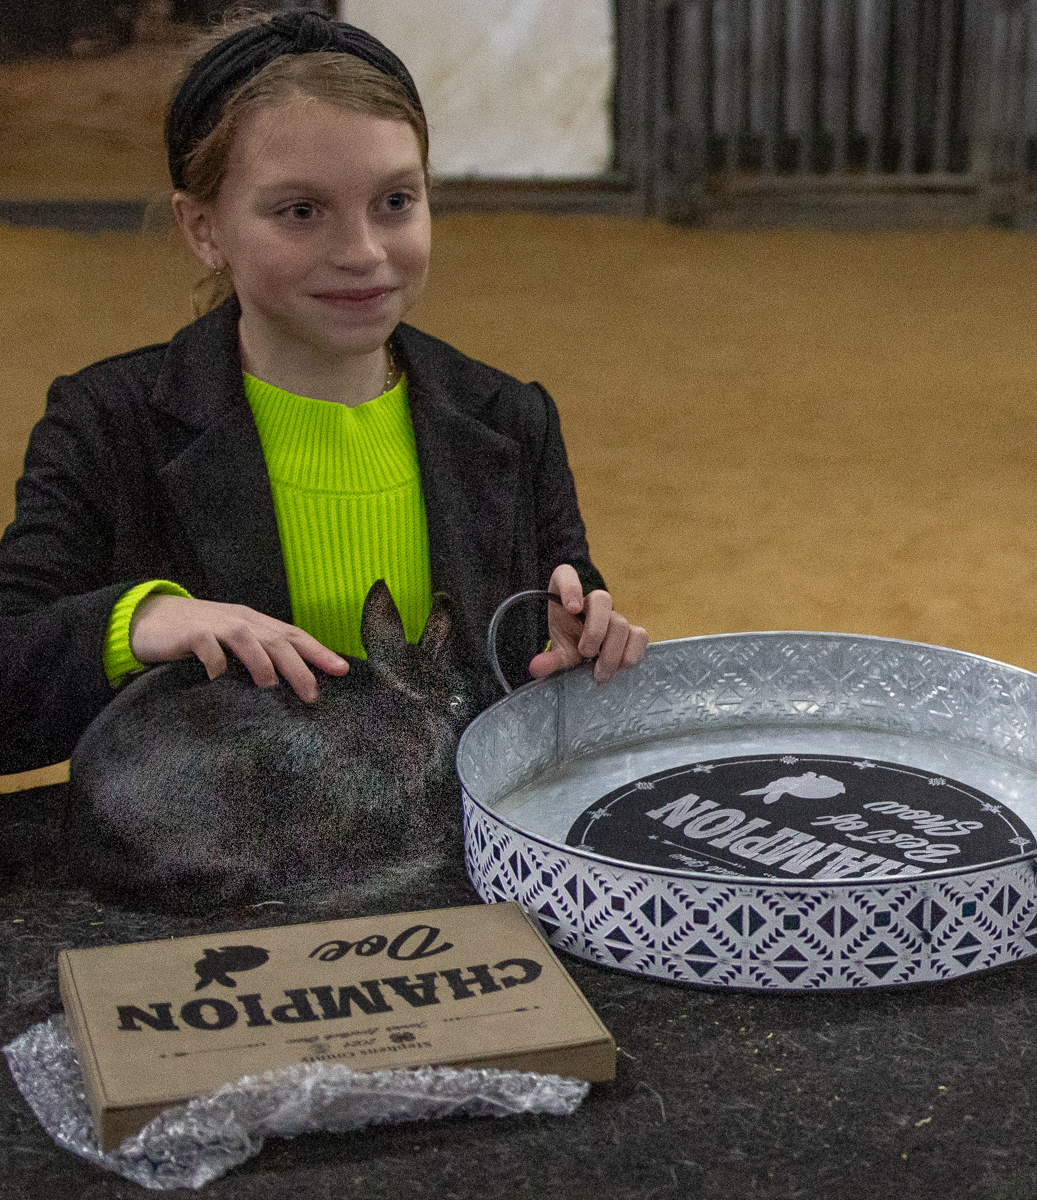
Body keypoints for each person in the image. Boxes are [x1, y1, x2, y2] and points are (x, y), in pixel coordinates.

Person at [0, 7, 647, 778]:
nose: (362, 251)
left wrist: (586, 661)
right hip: (219, 885)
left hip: (451, 883)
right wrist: (137, 622)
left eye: (395, 201)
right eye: (301, 211)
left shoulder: (510, 420)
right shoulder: (107, 425)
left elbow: (550, 673)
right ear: (203, 228)